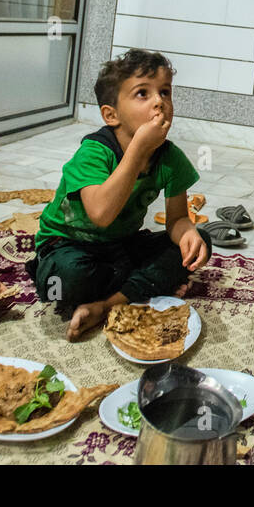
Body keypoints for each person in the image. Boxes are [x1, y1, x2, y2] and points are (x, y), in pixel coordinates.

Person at [30, 49, 210, 340]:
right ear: (110, 114)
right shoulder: (93, 153)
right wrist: (138, 149)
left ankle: (108, 304)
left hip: (119, 247)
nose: (159, 102)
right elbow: (101, 215)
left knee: (202, 242)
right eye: (142, 93)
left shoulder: (170, 158)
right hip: (67, 245)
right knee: (68, 278)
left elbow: (177, 218)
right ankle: (138, 285)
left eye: (165, 92)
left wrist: (187, 233)